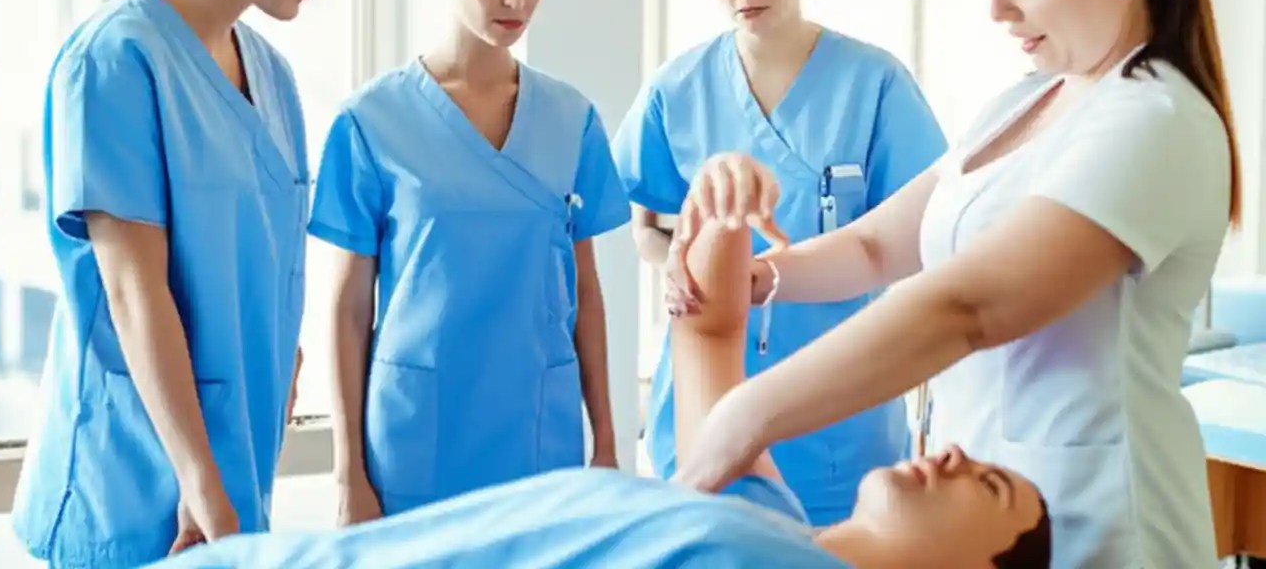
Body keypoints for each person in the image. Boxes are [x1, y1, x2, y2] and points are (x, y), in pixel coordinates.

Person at [667, 0, 1238, 567]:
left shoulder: (1155, 120)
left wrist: (747, 418)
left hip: (1099, 522)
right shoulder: (1026, 101)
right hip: (971, 522)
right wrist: (761, 277)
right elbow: (878, 248)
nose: (997, 6)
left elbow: (970, 307)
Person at [152, 217, 1050, 569]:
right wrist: (724, 204)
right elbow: (708, 332)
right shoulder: (769, 518)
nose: (953, 452)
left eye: (991, 486)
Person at [10, 0, 359, 566]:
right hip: (136, 476)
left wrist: (282, 356)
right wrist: (199, 478)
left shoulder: (274, 74)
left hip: (238, 461)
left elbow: (263, 250)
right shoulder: (114, 61)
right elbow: (133, 293)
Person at [610, 0, 947, 526]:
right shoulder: (675, 91)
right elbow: (645, 227)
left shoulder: (874, 85)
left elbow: (924, 243)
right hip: (707, 410)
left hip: (840, 418)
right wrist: (677, 266)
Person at [308, 0, 629, 526]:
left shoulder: (571, 120)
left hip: (540, 441)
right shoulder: (371, 122)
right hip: (415, 442)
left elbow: (588, 298)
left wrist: (606, 442)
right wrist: (347, 473)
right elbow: (345, 310)